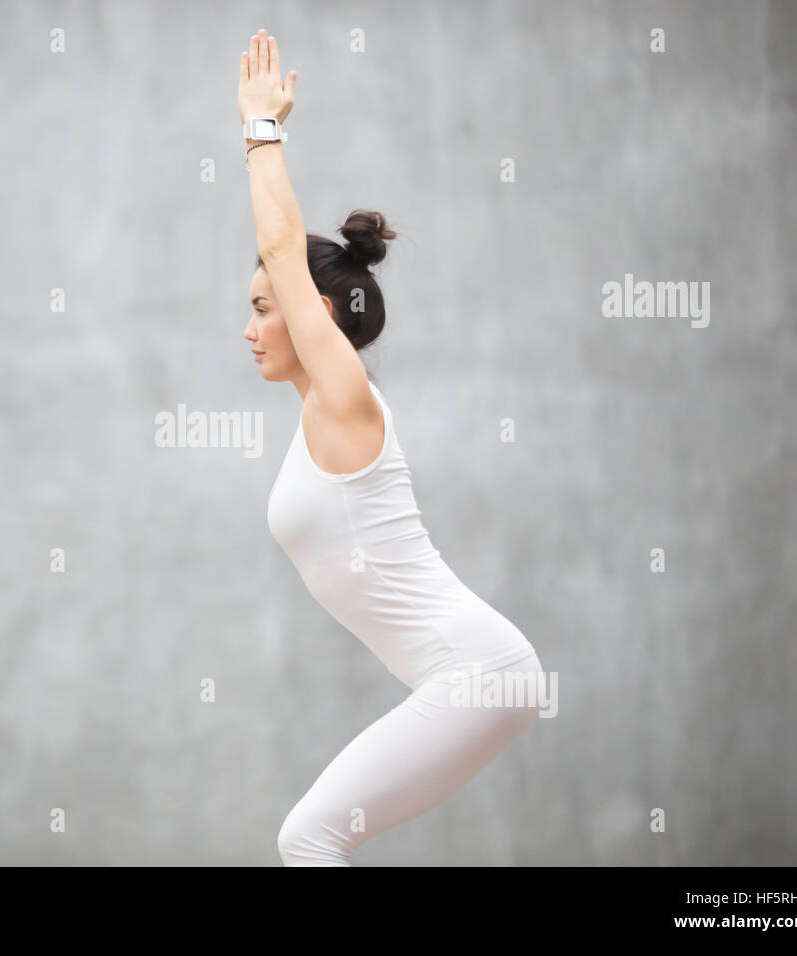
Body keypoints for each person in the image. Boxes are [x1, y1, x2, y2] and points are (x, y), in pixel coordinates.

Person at [239, 29, 545, 866]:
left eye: (268, 307)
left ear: (320, 317)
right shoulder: (321, 419)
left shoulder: (347, 399)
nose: (250, 327)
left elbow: (278, 246)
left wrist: (260, 131)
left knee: (309, 836)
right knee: (315, 834)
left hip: (480, 673)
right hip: (476, 676)